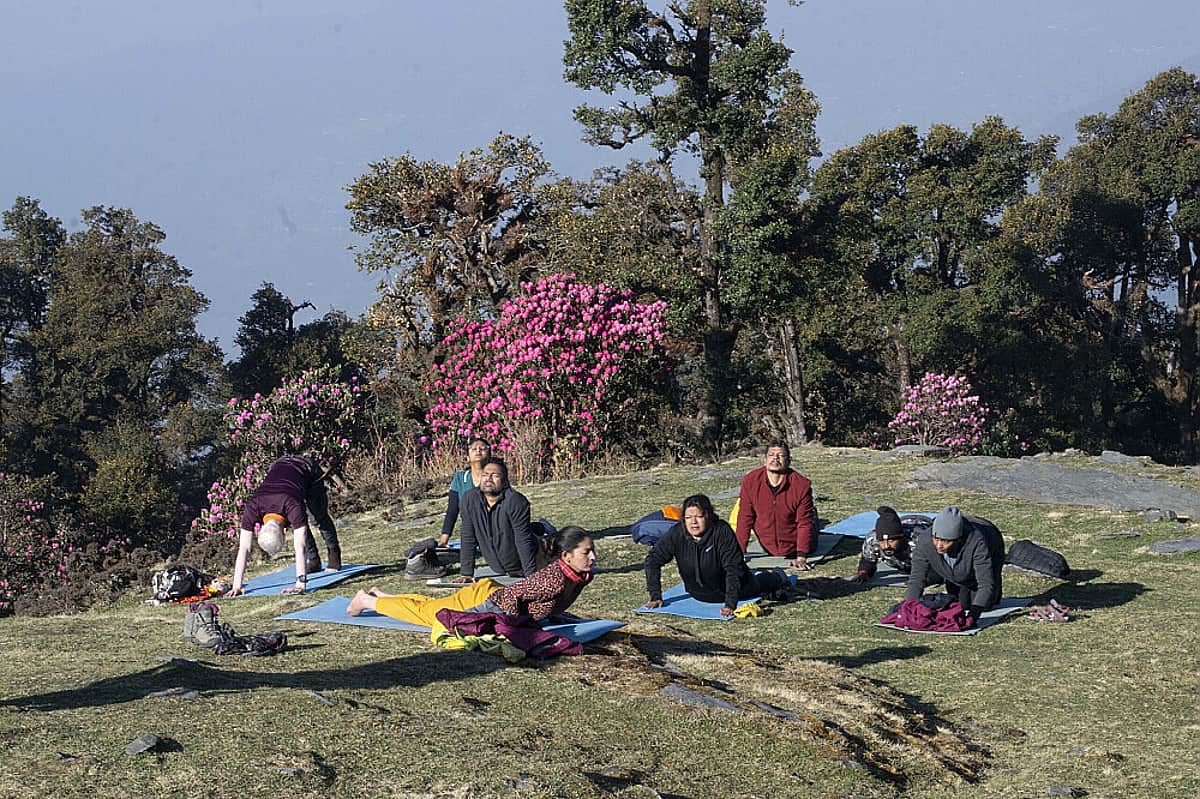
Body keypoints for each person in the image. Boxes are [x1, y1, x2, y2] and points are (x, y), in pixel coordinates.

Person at [347, 526, 596, 625]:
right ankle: (367, 600)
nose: (593, 557)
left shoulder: (579, 575)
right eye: (587, 552)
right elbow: (512, 596)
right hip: (486, 598)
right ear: (566, 556)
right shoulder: (552, 578)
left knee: (432, 605)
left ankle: (383, 595)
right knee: (429, 616)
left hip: (492, 591)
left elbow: (544, 602)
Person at [643, 494, 792, 618]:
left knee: (760, 581)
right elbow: (652, 560)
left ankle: (778, 575)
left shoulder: (721, 531)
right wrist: (655, 596)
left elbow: (734, 568)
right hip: (698, 594)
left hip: (738, 591)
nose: (693, 522)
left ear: (708, 516)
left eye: (699, 516)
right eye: (688, 517)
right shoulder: (677, 533)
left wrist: (730, 604)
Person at [229, 454, 345, 596]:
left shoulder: (292, 506)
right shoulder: (252, 508)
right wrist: (236, 586)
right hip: (282, 469)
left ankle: (334, 556)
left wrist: (300, 584)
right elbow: (244, 548)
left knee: (318, 518)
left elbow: (299, 545)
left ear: (284, 532)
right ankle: (314, 561)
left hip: (307, 468)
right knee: (299, 524)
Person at [452, 457, 546, 583]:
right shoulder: (469, 499)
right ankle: (540, 527)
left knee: (540, 537)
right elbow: (468, 535)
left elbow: (523, 540)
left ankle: (545, 529)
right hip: (497, 567)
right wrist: (466, 572)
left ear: (504, 481)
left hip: (527, 561)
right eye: (485, 474)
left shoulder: (515, 501)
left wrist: (531, 576)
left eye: (495, 475)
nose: (488, 479)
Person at [904, 506, 1005, 619]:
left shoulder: (977, 542)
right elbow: (917, 578)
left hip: (991, 541)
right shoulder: (925, 541)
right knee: (959, 605)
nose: (939, 545)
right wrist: (909, 608)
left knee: (984, 603)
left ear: (958, 539)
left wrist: (973, 617)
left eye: (946, 541)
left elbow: (986, 584)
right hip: (954, 572)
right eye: (936, 539)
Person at [734, 440, 817, 569]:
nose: (775, 458)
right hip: (768, 546)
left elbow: (804, 523)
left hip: (794, 544)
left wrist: (801, 557)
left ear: (788, 462)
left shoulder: (801, 485)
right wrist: (739, 552)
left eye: (781, 455)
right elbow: (745, 518)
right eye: (771, 455)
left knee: (811, 520)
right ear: (765, 460)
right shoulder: (750, 481)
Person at [850, 506, 932, 583]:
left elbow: (938, 565)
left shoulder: (919, 541)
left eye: (891, 540)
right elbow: (867, 560)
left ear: (901, 538)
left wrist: (923, 579)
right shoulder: (873, 541)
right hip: (904, 521)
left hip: (925, 523)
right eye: (882, 541)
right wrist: (863, 572)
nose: (886, 546)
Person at [438, 437, 491, 547]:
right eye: (474, 449)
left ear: (489, 455)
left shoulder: (496, 476)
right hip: (470, 531)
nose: (478, 451)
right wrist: (444, 540)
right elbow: (452, 510)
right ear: (467, 457)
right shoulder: (460, 478)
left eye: (482, 448)